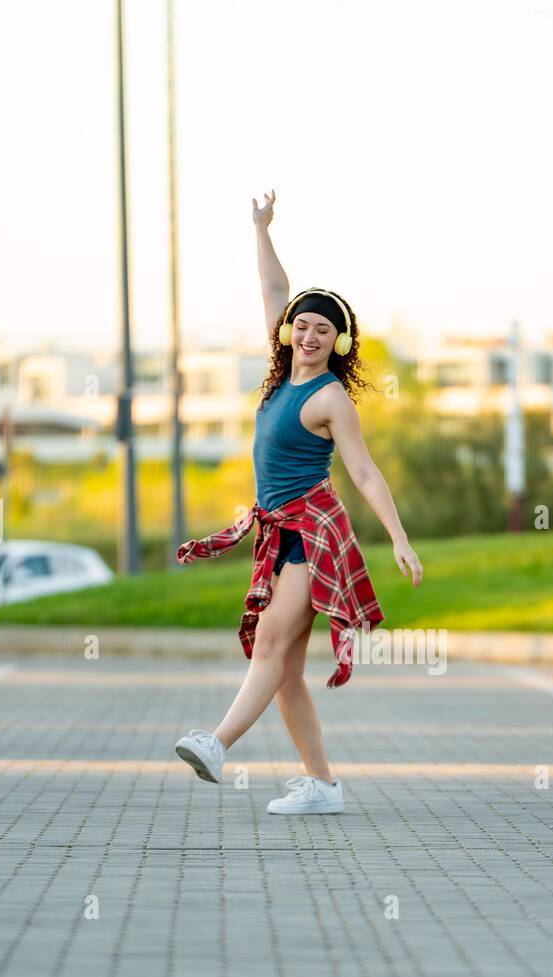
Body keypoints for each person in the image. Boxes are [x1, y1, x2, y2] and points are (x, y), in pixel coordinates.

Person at [173, 189, 423, 815]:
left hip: (313, 535)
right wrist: (262, 228)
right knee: (284, 670)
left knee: (270, 649)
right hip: (276, 532)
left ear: (339, 342)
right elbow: (271, 288)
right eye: (302, 326)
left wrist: (398, 537)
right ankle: (323, 786)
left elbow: (364, 473)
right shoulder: (282, 376)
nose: (310, 335)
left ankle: (218, 742)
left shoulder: (333, 398)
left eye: (324, 329)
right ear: (290, 332)